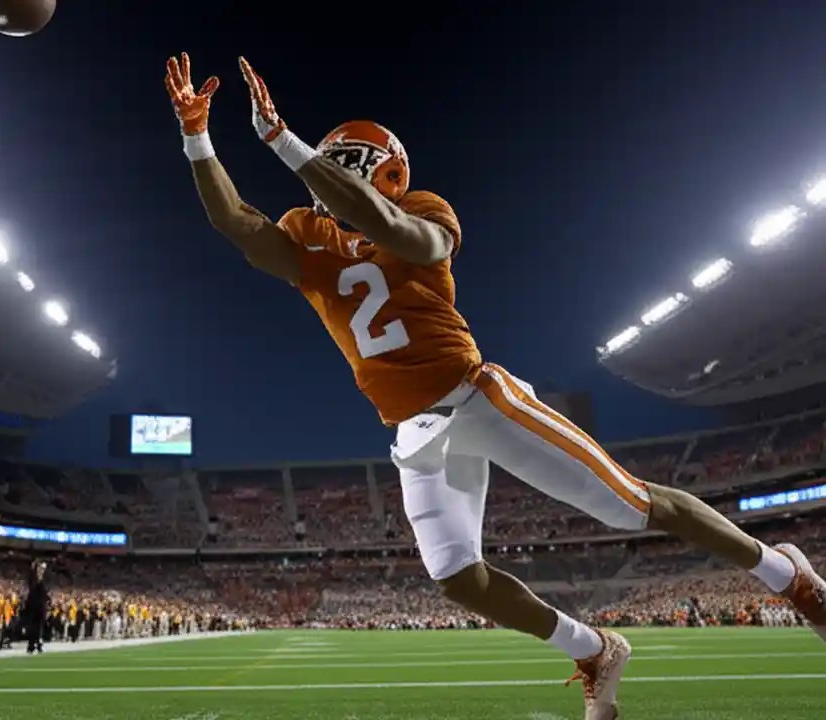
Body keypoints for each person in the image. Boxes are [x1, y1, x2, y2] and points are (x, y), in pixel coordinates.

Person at [164, 52, 826, 720]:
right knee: (458, 577)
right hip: (414, 430)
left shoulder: (422, 210)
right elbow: (236, 223)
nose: (320, 176)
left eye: (336, 163)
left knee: (631, 505)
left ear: (374, 170)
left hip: (478, 396)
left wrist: (282, 140)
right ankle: (595, 648)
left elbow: (393, 230)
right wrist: (198, 137)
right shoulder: (306, 235)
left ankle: (787, 574)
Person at [23, 559, 49, 655]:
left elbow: (44, 593)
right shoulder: (34, 579)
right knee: (33, 626)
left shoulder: (43, 580)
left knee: (39, 627)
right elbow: (33, 587)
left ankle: (38, 644)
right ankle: (31, 645)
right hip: (33, 605)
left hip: (41, 606)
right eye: (40, 568)